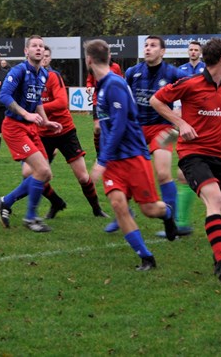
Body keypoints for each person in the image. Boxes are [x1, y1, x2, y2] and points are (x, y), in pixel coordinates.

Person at [150, 37, 221, 282]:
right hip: (193, 155)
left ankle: (219, 258)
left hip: (220, 156)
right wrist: (180, 123)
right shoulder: (190, 84)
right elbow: (156, 100)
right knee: (214, 199)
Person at [86, 39, 177, 270]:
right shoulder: (105, 84)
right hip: (114, 162)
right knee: (118, 205)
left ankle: (167, 213)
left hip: (133, 156)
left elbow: (119, 125)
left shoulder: (114, 84)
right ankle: (146, 257)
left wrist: (101, 160)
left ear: (88, 60)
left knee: (149, 210)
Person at [103, 35, 186, 234]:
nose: (148, 49)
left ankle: (172, 220)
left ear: (163, 51)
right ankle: (123, 213)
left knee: (163, 173)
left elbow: (190, 93)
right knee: (129, 173)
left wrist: (179, 117)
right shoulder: (132, 72)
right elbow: (122, 97)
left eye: (153, 46)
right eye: (146, 45)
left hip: (163, 127)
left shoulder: (173, 73)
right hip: (137, 130)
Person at [0, 35, 63, 233]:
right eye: (34, 46)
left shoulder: (43, 74)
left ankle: (6, 201)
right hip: (15, 127)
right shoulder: (18, 71)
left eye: (41, 46)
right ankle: (31, 218)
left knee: (45, 173)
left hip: (31, 128)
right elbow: (4, 95)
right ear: (26, 51)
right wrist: (26, 114)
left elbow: (38, 101)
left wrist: (46, 121)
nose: (38, 49)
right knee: (41, 171)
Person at [39, 45, 108, 219]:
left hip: (64, 131)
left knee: (83, 177)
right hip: (43, 134)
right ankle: (56, 202)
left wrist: (35, 107)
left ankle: (97, 209)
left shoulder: (53, 77)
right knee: (34, 177)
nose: (43, 58)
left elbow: (62, 103)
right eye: (41, 55)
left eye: (46, 56)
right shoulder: (28, 79)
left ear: (49, 59)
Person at [86, 54, 123, 155]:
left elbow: (120, 80)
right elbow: (89, 81)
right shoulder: (94, 67)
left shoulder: (116, 67)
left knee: (111, 128)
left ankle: (111, 153)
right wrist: (89, 87)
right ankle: (99, 153)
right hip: (97, 101)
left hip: (112, 102)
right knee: (98, 128)